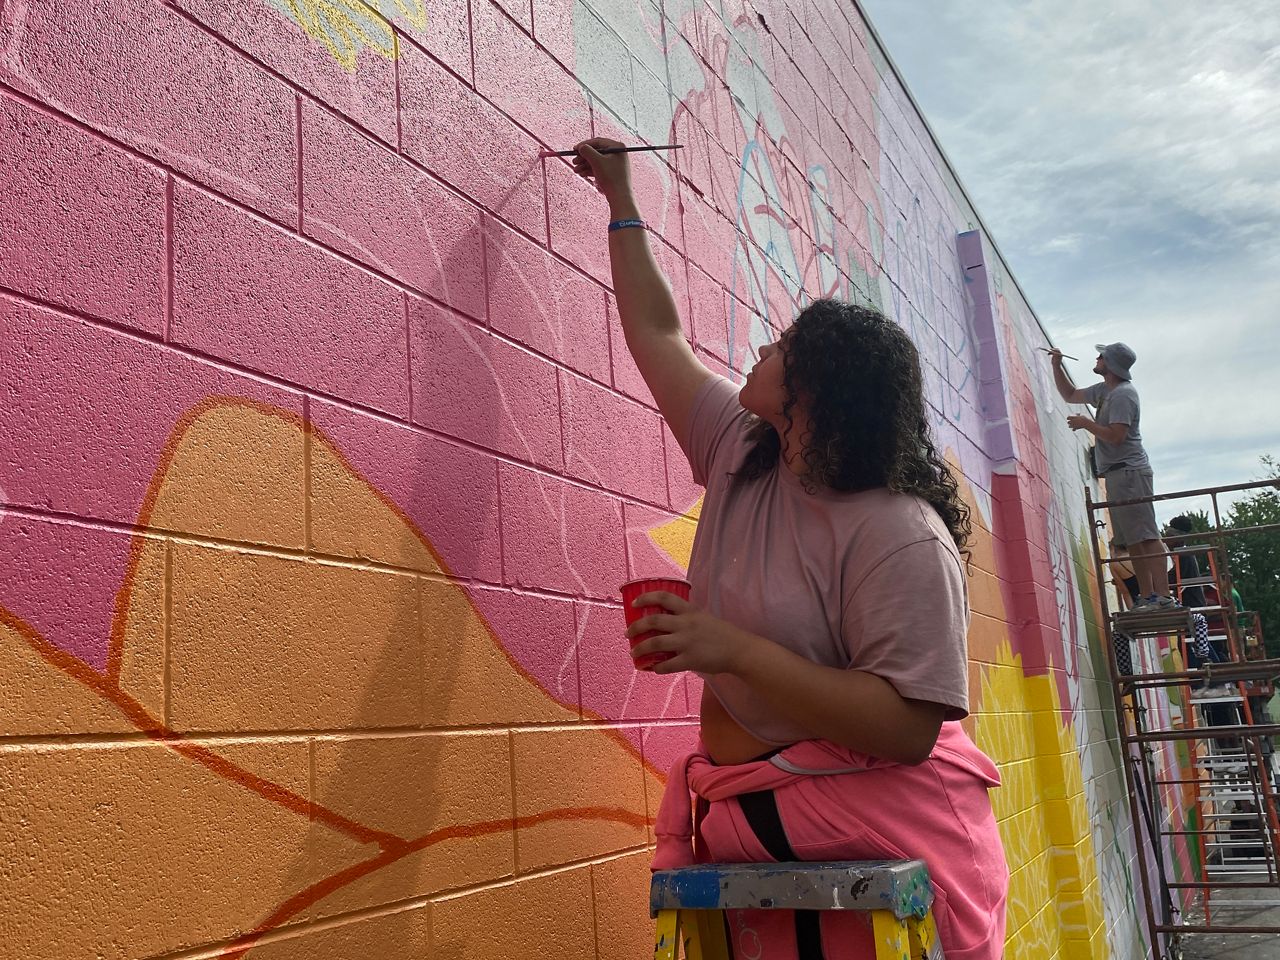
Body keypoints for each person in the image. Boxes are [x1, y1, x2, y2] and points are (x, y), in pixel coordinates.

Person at [572, 138, 1008, 960]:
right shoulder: (742, 449)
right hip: (759, 826)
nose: (758, 352)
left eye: (778, 347)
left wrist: (731, 648)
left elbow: (909, 729)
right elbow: (657, 333)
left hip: (872, 827)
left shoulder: (899, 534)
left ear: (816, 390)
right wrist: (620, 201)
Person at [1049, 344, 1175, 610]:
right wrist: (1056, 365)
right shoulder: (1105, 391)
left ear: (1111, 364)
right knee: (1133, 540)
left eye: (1101, 356)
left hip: (1130, 471)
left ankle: (1162, 596)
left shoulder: (1122, 395)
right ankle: (1147, 596)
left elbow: (1117, 437)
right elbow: (1070, 394)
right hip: (1119, 474)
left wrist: (1086, 424)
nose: (1097, 358)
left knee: (1147, 536)